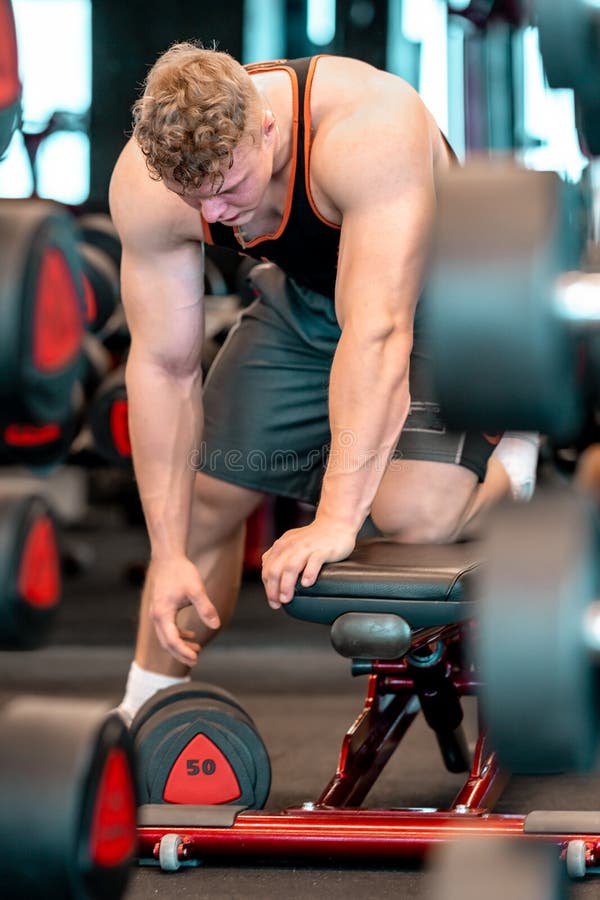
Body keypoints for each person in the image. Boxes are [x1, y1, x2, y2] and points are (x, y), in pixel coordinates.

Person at [109, 43, 538, 721]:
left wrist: (337, 519)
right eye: (198, 200)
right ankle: (145, 706)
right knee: (201, 501)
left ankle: (513, 462)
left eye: (229, 189)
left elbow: (379, 333)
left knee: (410, 517)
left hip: (449, 306)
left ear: (267, 129)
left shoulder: (367, 129)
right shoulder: (150, 180)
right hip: (310, 301)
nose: (216, 216)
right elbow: (164, 368)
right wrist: (164, 553)